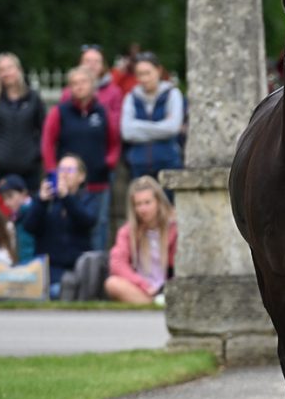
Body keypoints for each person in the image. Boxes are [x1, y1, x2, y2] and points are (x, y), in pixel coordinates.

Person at [44, 67, 121, 251]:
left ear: (93, 85)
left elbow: (114, 142)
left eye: (83, 82)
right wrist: (53, 173)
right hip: (68, 185)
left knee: (98, 227)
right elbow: (47, 143)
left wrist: (109, 162)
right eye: (74, 83)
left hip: (97, 182)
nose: (79, 87)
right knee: (66, 225)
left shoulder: (103, 112)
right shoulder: (59, 112)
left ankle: (95, 271)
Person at [22, 153, 99, 299]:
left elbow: (87, 220)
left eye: (69, 170)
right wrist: (40, 201)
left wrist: (66, 197)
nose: (63, 175)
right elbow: (29, 227)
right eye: (61, 170)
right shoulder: (47, 200)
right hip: (48, 267)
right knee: (54, 291)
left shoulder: (88, 199)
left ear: (81, 177)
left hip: (77, 267)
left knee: (61, 290)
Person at [104, 176, 177, 305]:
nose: (143, 209)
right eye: (138, 204)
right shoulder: (127, 232)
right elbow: (117, 263)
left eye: (147, 202)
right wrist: (144, 285)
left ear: (158, 202)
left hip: (169, 287)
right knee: (112, 283)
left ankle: (159, 302)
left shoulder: (174, 227)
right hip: (142, 289)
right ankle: (154, 304)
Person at [0, 52, 46, 184]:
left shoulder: (33, 98)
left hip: (30, 169)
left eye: (9, 68)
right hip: (1, 169)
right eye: (1, 70)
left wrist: (36, 154)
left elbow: (44, 130)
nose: (6, 73)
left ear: (18, 69)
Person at [121, 52, 185, 179]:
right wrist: (160, 126)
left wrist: (138, 127)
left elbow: (172, 128)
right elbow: (127, 132)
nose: (144, 79)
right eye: (140, 74)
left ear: (158, 71)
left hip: (169, 165)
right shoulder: (130, 97)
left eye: (147, 73)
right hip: (138, 166)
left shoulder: (172, 94)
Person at [62, 45, 126, 122]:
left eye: (96, 61)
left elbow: (116, 122)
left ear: (103, 65)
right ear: (80, 64)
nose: (92, 65)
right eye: (88, 61)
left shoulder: (115, 92)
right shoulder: (69, 92)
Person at [0, 175, 35, 264]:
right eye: (4, 198)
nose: (6, 203)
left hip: (34, 267)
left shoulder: (34, 213)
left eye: (10, 196)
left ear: (24, 193)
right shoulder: (16, 216)